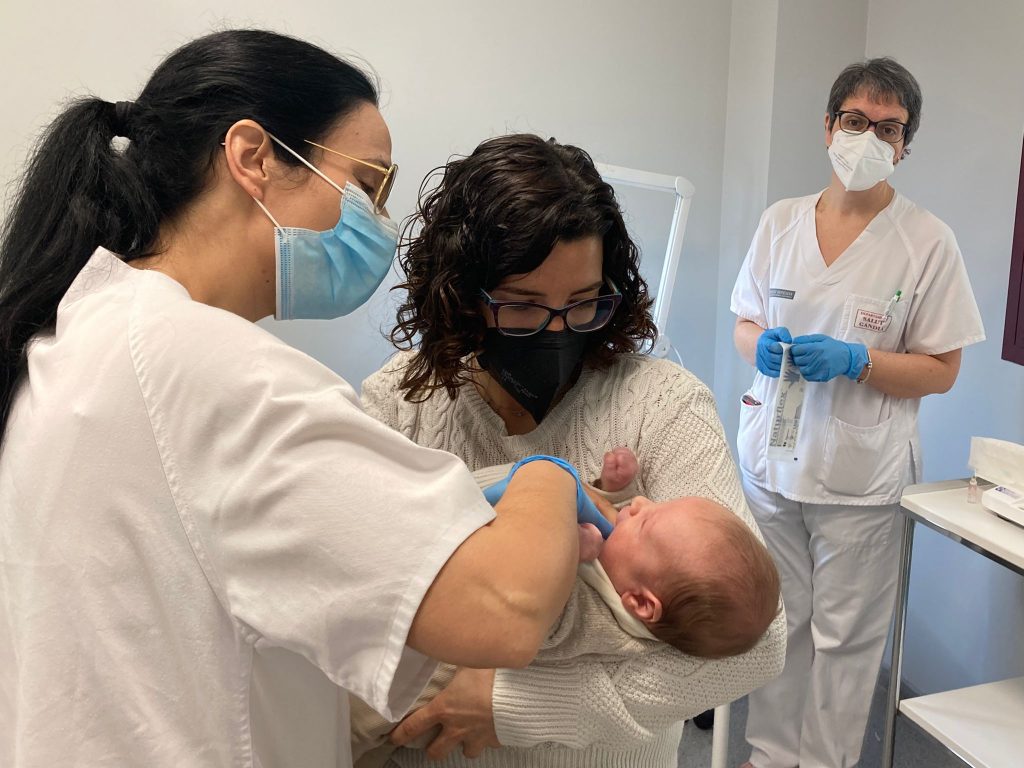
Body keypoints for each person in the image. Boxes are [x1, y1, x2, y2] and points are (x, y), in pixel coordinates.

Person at [0, 31, 588, 768]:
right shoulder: (212, 368)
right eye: (368, 184)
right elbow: (502, 608)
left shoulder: (81, 330)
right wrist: (548, 478)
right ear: (253, 158)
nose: (378, 224)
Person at [361, 133, 787, 767]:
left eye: (584, 303)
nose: (559, 330)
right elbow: (360, 605)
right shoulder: (398, 403)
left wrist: (516, 704)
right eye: (524, 306)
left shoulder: (662, 401)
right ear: (463, 296)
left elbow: (758, 643)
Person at [731, 57, 985, 768]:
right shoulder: (780, 222)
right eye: (855, 121)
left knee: (845, 640)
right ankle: (771, 756)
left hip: (860, 477)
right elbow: (743, 324)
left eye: (888, 128)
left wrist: (857, 361)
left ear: (905, 145)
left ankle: (825, 763)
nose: (868, 137)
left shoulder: (926, 242)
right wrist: (762, 347)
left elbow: (942, 369)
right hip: (770, 463)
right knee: (779, 623)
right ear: (828, 126)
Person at [350, 456, 782, 766]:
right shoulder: (629, 580)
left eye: (647, 520)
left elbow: (521, 600)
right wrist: (611, 488)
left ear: (642, 603)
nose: (641, 504)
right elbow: (614, 527)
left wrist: (565, 549)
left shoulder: (592, 618)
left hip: (406, 686)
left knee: (347, 734)